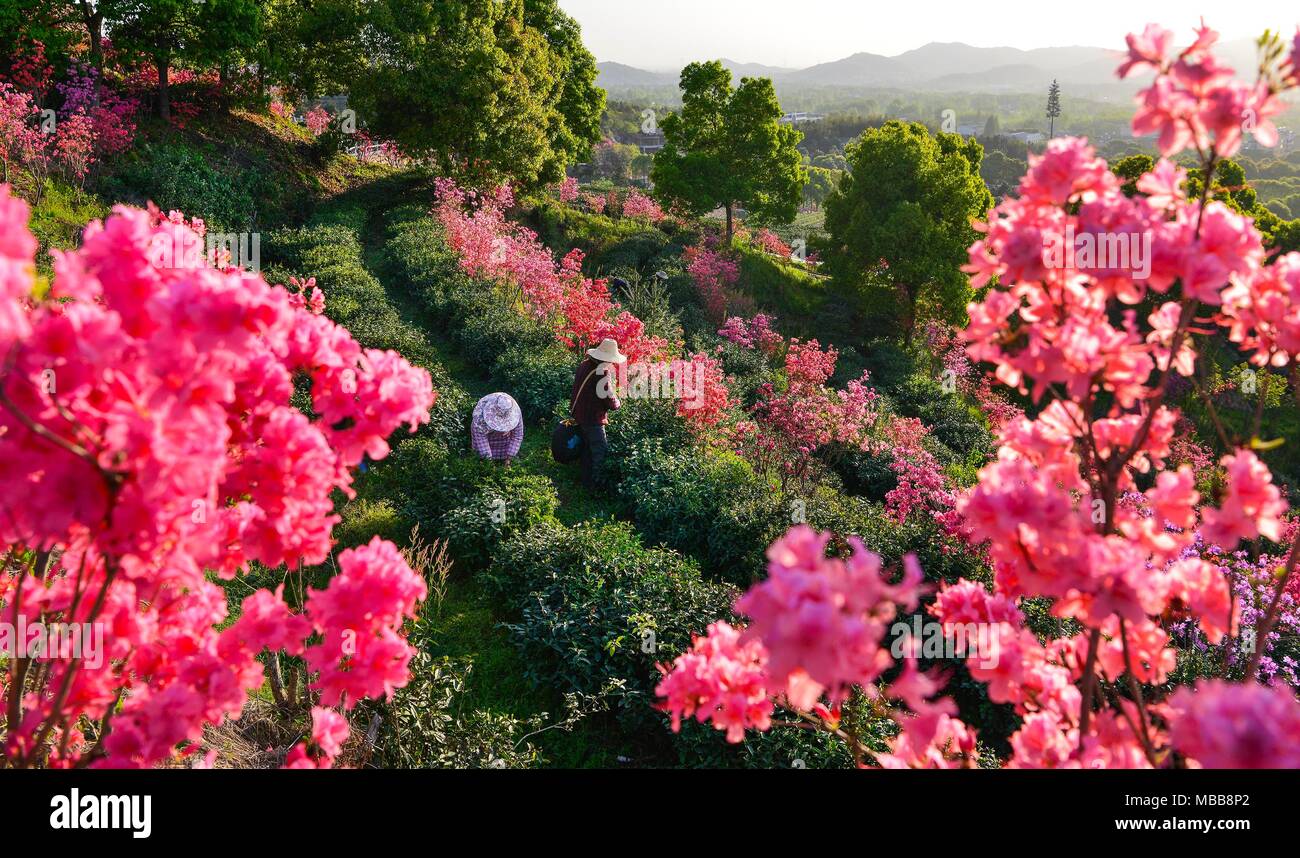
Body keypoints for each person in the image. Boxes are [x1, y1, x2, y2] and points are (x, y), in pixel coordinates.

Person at [571, 337, 625, 489]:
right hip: (592, 418)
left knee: (587, 448)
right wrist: (617, 403)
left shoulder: (584, 365)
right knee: (600, 450)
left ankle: (585, 480)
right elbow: (608, 397)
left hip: (578, 413)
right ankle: (596, 485)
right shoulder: (602, 373)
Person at [470, 392, 523, 464]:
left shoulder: (515, 413)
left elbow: (517, 435)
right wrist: (489, 463)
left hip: (504, 440)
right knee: (481, 456)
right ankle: (482, 462)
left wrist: (509, 457)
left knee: (505, 453)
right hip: (484, 435)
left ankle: (503, 458)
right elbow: (481, 441)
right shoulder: (479, 418)